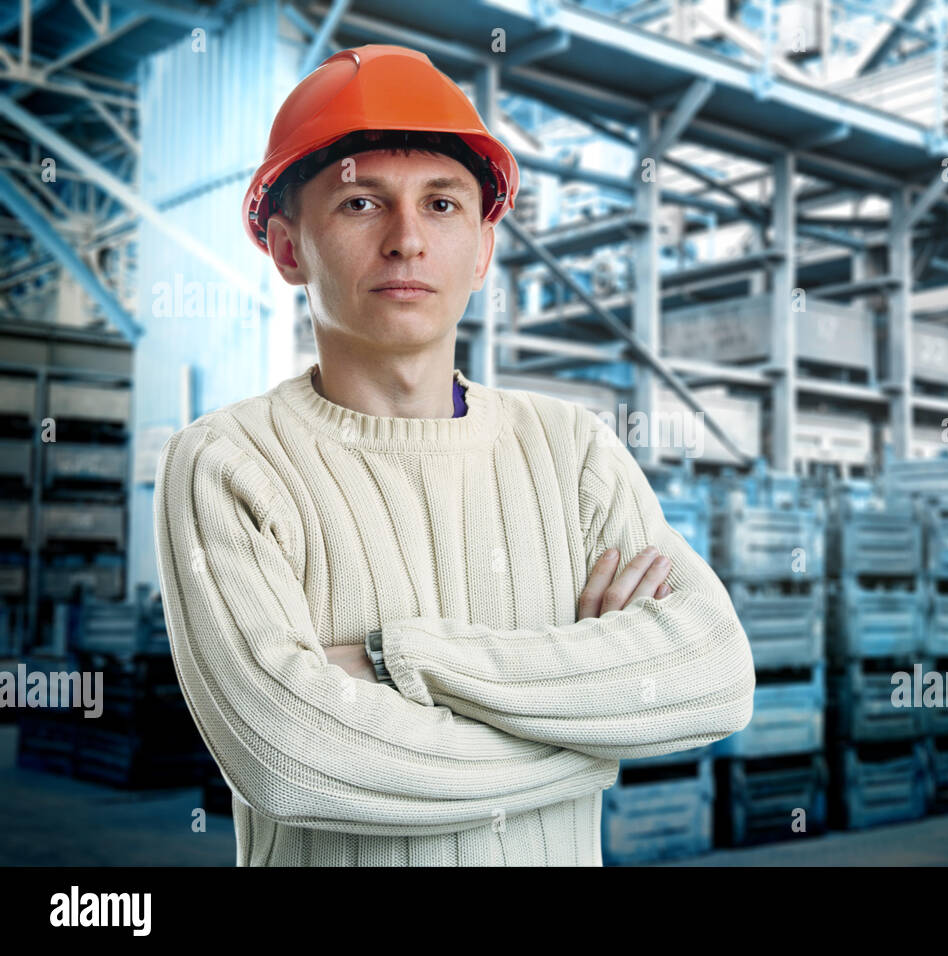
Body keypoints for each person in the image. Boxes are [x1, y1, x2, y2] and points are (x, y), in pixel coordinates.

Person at [152, 44, 754, 866]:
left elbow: (710, 673)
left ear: (482, 250)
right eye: (361, 203)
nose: (407, 239)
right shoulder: (226, 464)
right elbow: (293, 760)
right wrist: (590, 738)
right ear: (288, 249)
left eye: (441, 204)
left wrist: (395, 658)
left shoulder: (572, 451)